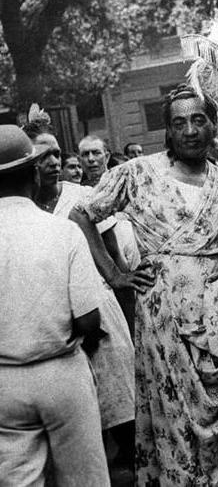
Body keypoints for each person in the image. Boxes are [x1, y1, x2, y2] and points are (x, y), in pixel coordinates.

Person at [70, 84, 218, 485]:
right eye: (179, 122)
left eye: (198, 120)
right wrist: (116, 275)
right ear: (167, 130)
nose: (189, 130)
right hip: (162, 314)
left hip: (216, 315)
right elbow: (83, 214)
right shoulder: (137, 173)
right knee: (173, 417)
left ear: (213, 126)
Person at [24, 115, 136, 474]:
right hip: (51, 316)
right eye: (44, 157)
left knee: (117, 398)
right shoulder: (22, 207)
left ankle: (129, 465)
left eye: (57, 154)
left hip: (94, 304)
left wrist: (119, 280)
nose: (55, 162)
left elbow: (113, 250)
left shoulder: (83, 197)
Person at [0, 124, 110, 486]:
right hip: (61, 371)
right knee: (84, 478)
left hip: (5, 382)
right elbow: (89, 319)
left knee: (17, 480)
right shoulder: (60, 231)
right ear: (33, 173)